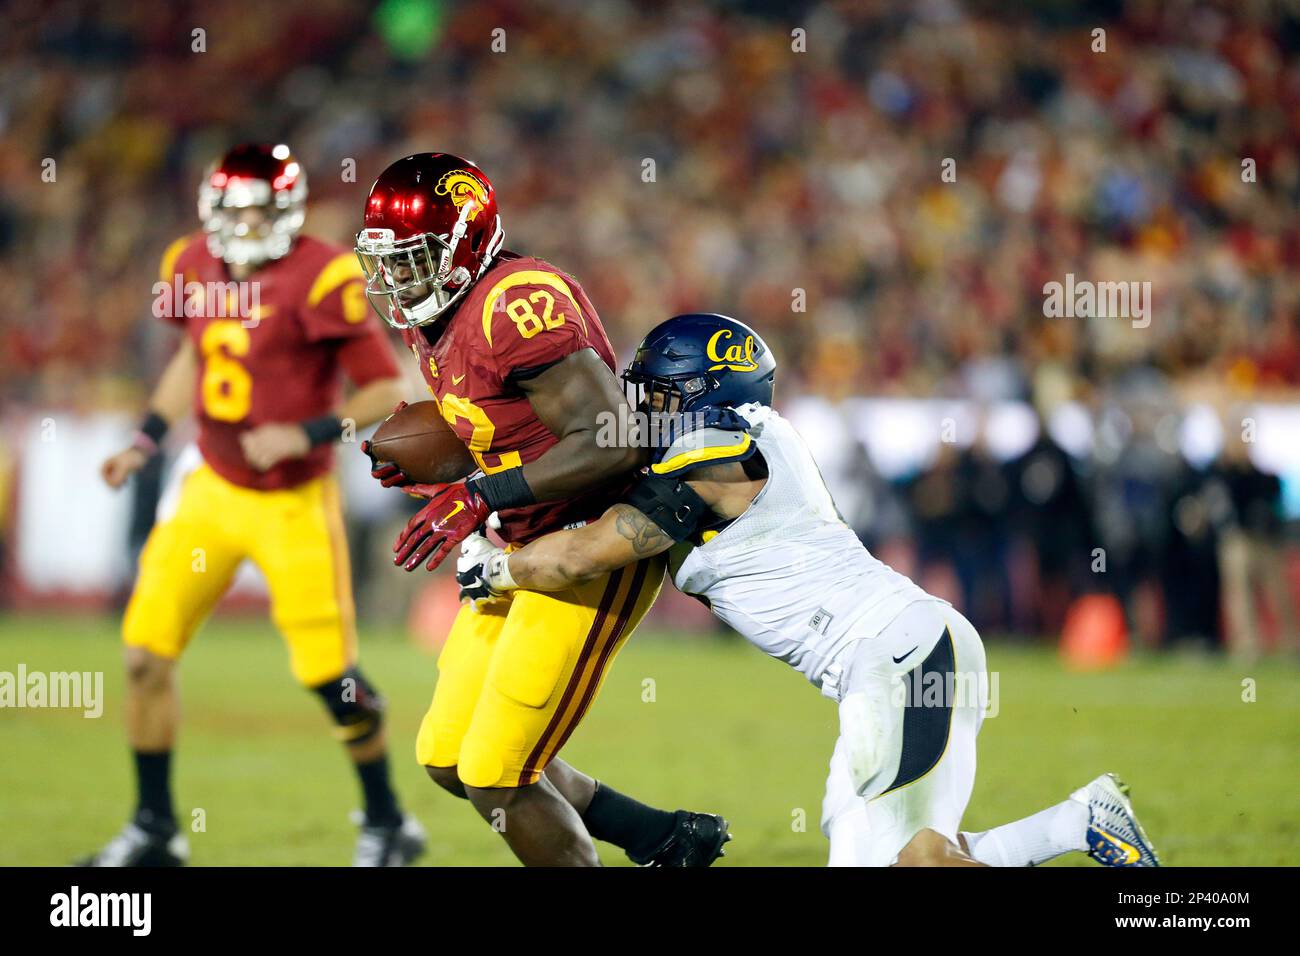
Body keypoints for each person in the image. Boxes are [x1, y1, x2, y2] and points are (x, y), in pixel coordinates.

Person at [456, 313, 1162, 867]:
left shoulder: (716, 455)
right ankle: (1077, 822)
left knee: (917, 863)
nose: (642, 410)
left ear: (707, 394)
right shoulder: (750, 436)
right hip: (891, 659)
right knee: (895, 861)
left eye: (660, 395)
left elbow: (584, 553)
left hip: (898, 656)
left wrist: (492, 563)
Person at [355, 153, 729, 866]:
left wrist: (476, 493)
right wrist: (437, 455)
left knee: (498, 775)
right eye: (390, 261)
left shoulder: (517, 303)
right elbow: (505, 424)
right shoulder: (438, 315)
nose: (398, 279)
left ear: (468, 243)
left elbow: (612, 439)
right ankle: (665, 839)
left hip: (589, 544)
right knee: (449, 757)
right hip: (516, 551)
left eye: (416, 258)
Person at [85, 144, 422, 867]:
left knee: (335, 682)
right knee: (144, 656)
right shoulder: (188, 262)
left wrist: (305, 431)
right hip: (210, 485)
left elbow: (381, 389)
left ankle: (388, 820)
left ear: (287, 212)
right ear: (211, 209)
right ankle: (154, 829)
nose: (243, 223)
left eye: (259, 209)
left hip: (294, 501)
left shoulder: (323, 273)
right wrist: (145, 438)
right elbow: (193, 359)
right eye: (232, 208)